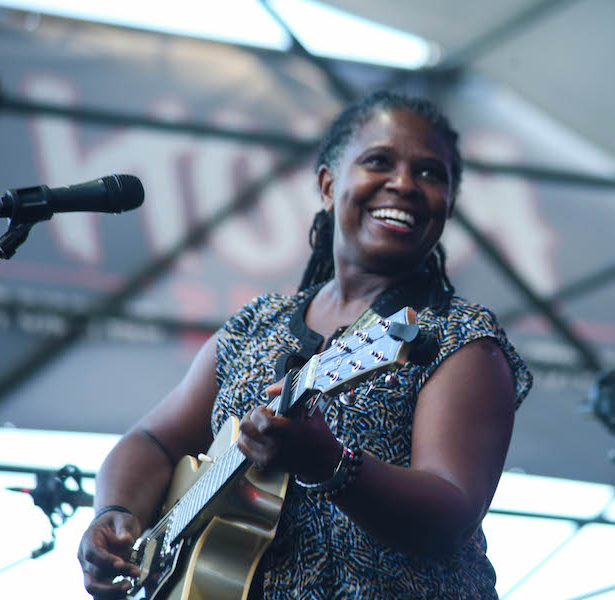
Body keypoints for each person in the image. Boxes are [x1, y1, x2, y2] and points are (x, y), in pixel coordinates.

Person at [77, 90, 532, 599]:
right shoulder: (257, 324)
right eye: (379, 161)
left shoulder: (458, 338)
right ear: (327, 184)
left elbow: (451, 513)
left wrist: (332, 465)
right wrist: (115, 514)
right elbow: (152, 441)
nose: (404, 183)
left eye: (430, 174)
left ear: (447, 205)